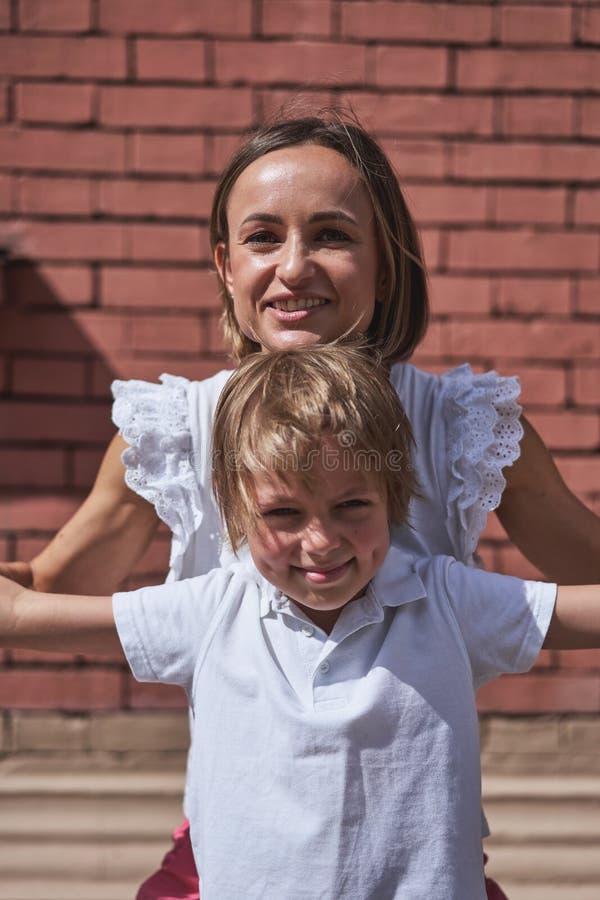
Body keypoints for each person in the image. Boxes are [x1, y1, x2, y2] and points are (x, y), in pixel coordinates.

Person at [2, 114, 599, 900]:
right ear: (224, 263)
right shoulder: (174, 430)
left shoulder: (464, 425)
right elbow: (43, 588)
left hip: (408, 847)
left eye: (330, 235)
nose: (293, 267)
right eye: (261, 237)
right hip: (239, 848)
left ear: (386, 263)